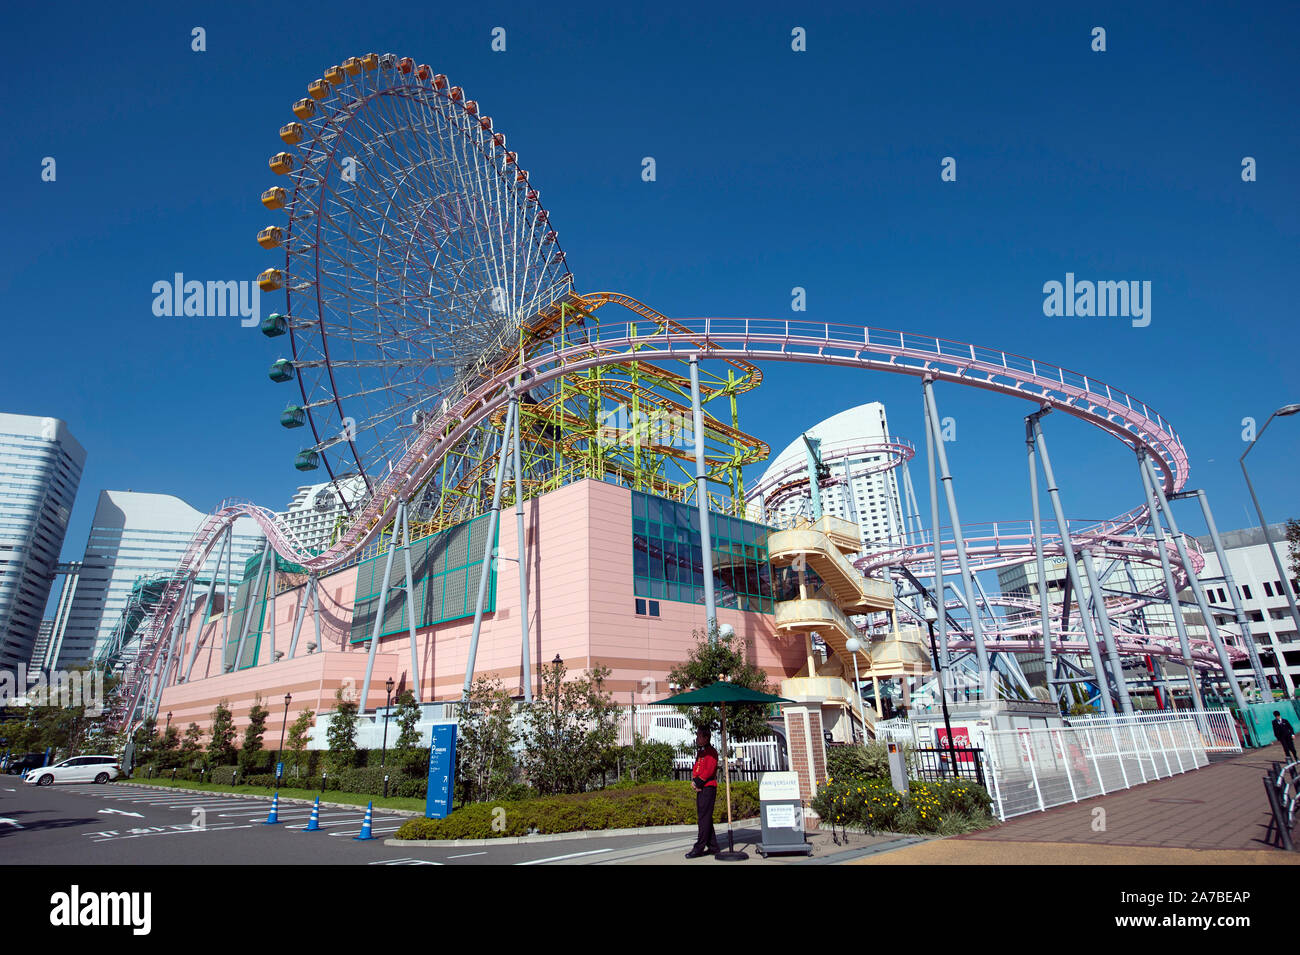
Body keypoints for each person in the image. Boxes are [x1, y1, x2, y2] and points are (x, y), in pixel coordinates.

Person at [685, 727, 720, 859]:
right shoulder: (701, 752)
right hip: (701, 787)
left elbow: (709, 771)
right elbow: (697, 767)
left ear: (706, 738)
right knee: (705, 817)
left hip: (708, 787)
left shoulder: (711, 752)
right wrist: (695, 781)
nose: (697, 738)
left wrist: (698, 782)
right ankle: (713, 846)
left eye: (699, 736)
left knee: (703, 818)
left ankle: (699, 847)